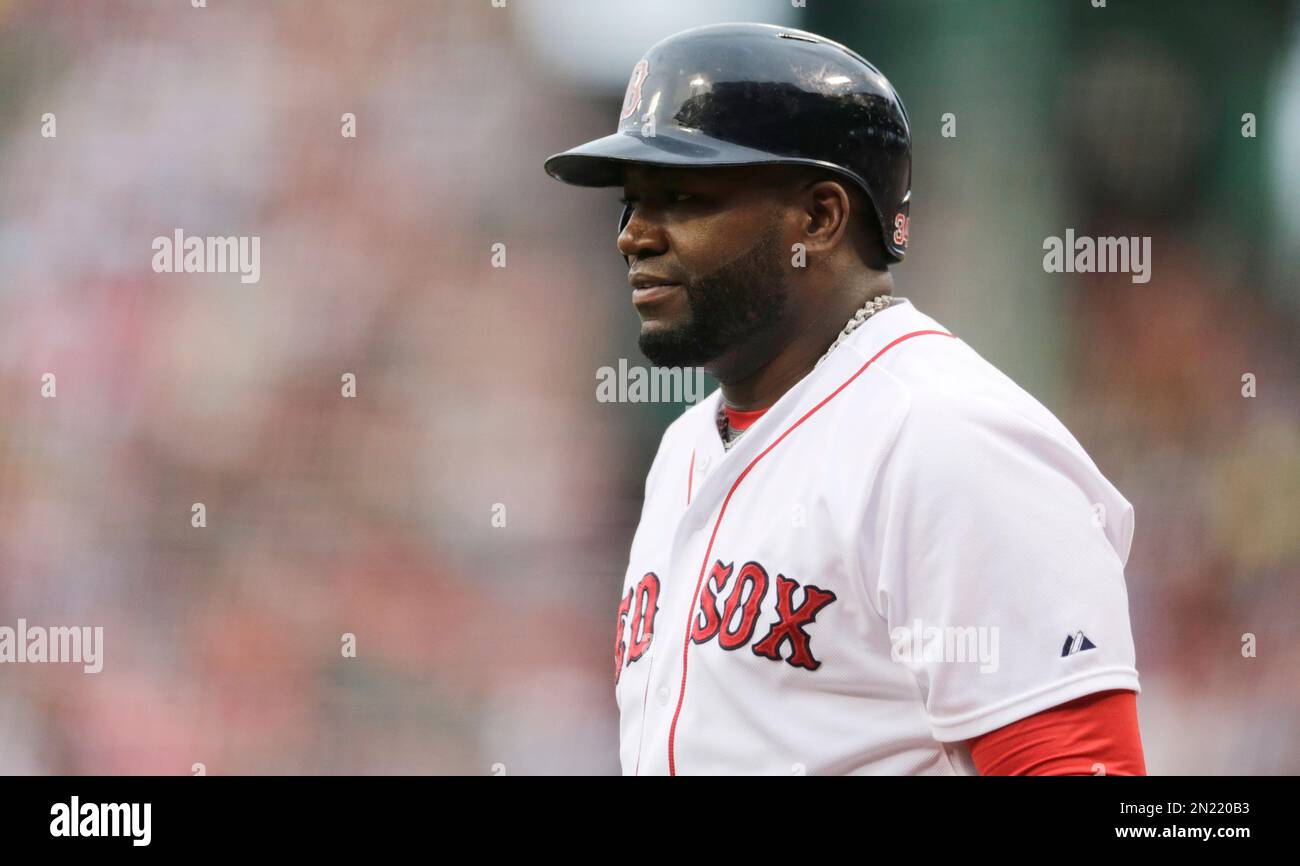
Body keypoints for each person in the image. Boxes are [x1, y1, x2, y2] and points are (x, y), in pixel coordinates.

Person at [545, 22, 1145, 776]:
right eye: (631, 204)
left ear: (821, 218)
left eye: (681, 196)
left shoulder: (947, 437)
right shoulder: (685, 449)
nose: (635, 236)